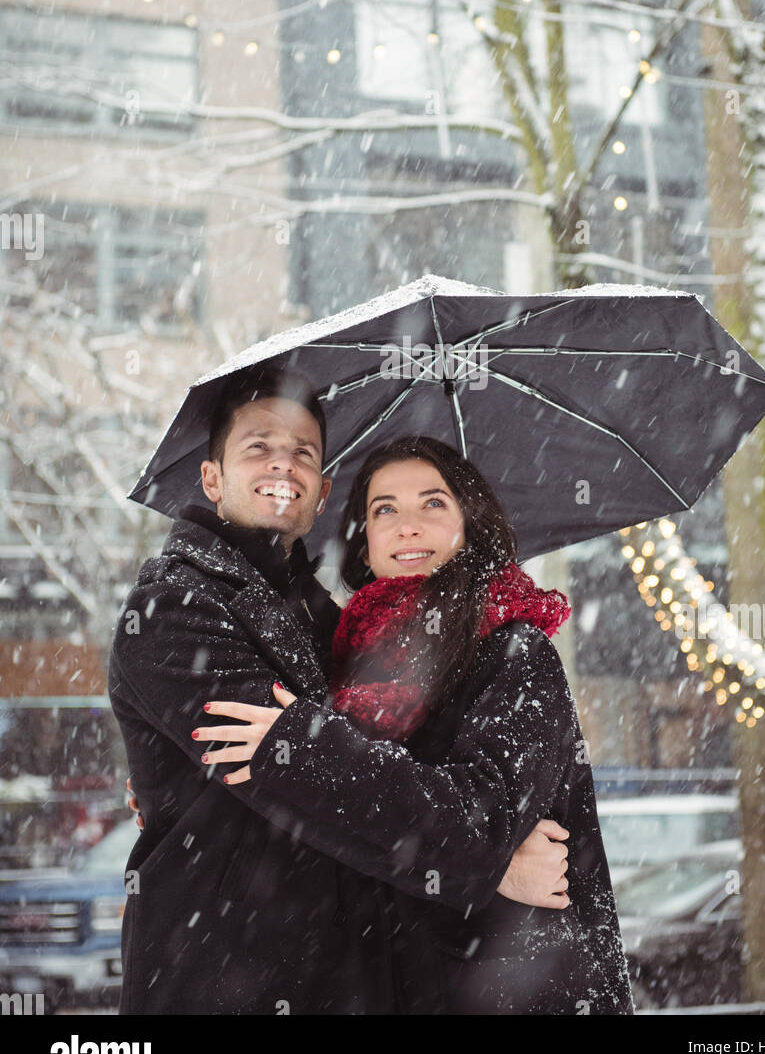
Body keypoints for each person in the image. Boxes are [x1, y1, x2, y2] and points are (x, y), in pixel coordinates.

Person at [110, 370, 570, 1015]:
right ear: (212, 479)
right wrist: (489, 867)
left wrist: (480, 856)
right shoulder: (174, 607)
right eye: (257, 447)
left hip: (356, 975)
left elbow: (375, 776)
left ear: (323, 492)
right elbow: (291, 779)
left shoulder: (339, 623)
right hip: (222, 970)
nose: (282, 465)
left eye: (302, 452)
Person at [192, 434, 634, 1015]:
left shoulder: (514, 652)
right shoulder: (340, 670)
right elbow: (336, 826)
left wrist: (307, 750)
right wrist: (181, 792)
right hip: (387, 983)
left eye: (433, 503)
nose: (408, 526)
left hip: (514, 991)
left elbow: (479, 823)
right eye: (384, 510)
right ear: (364, 541)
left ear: (470, 524)